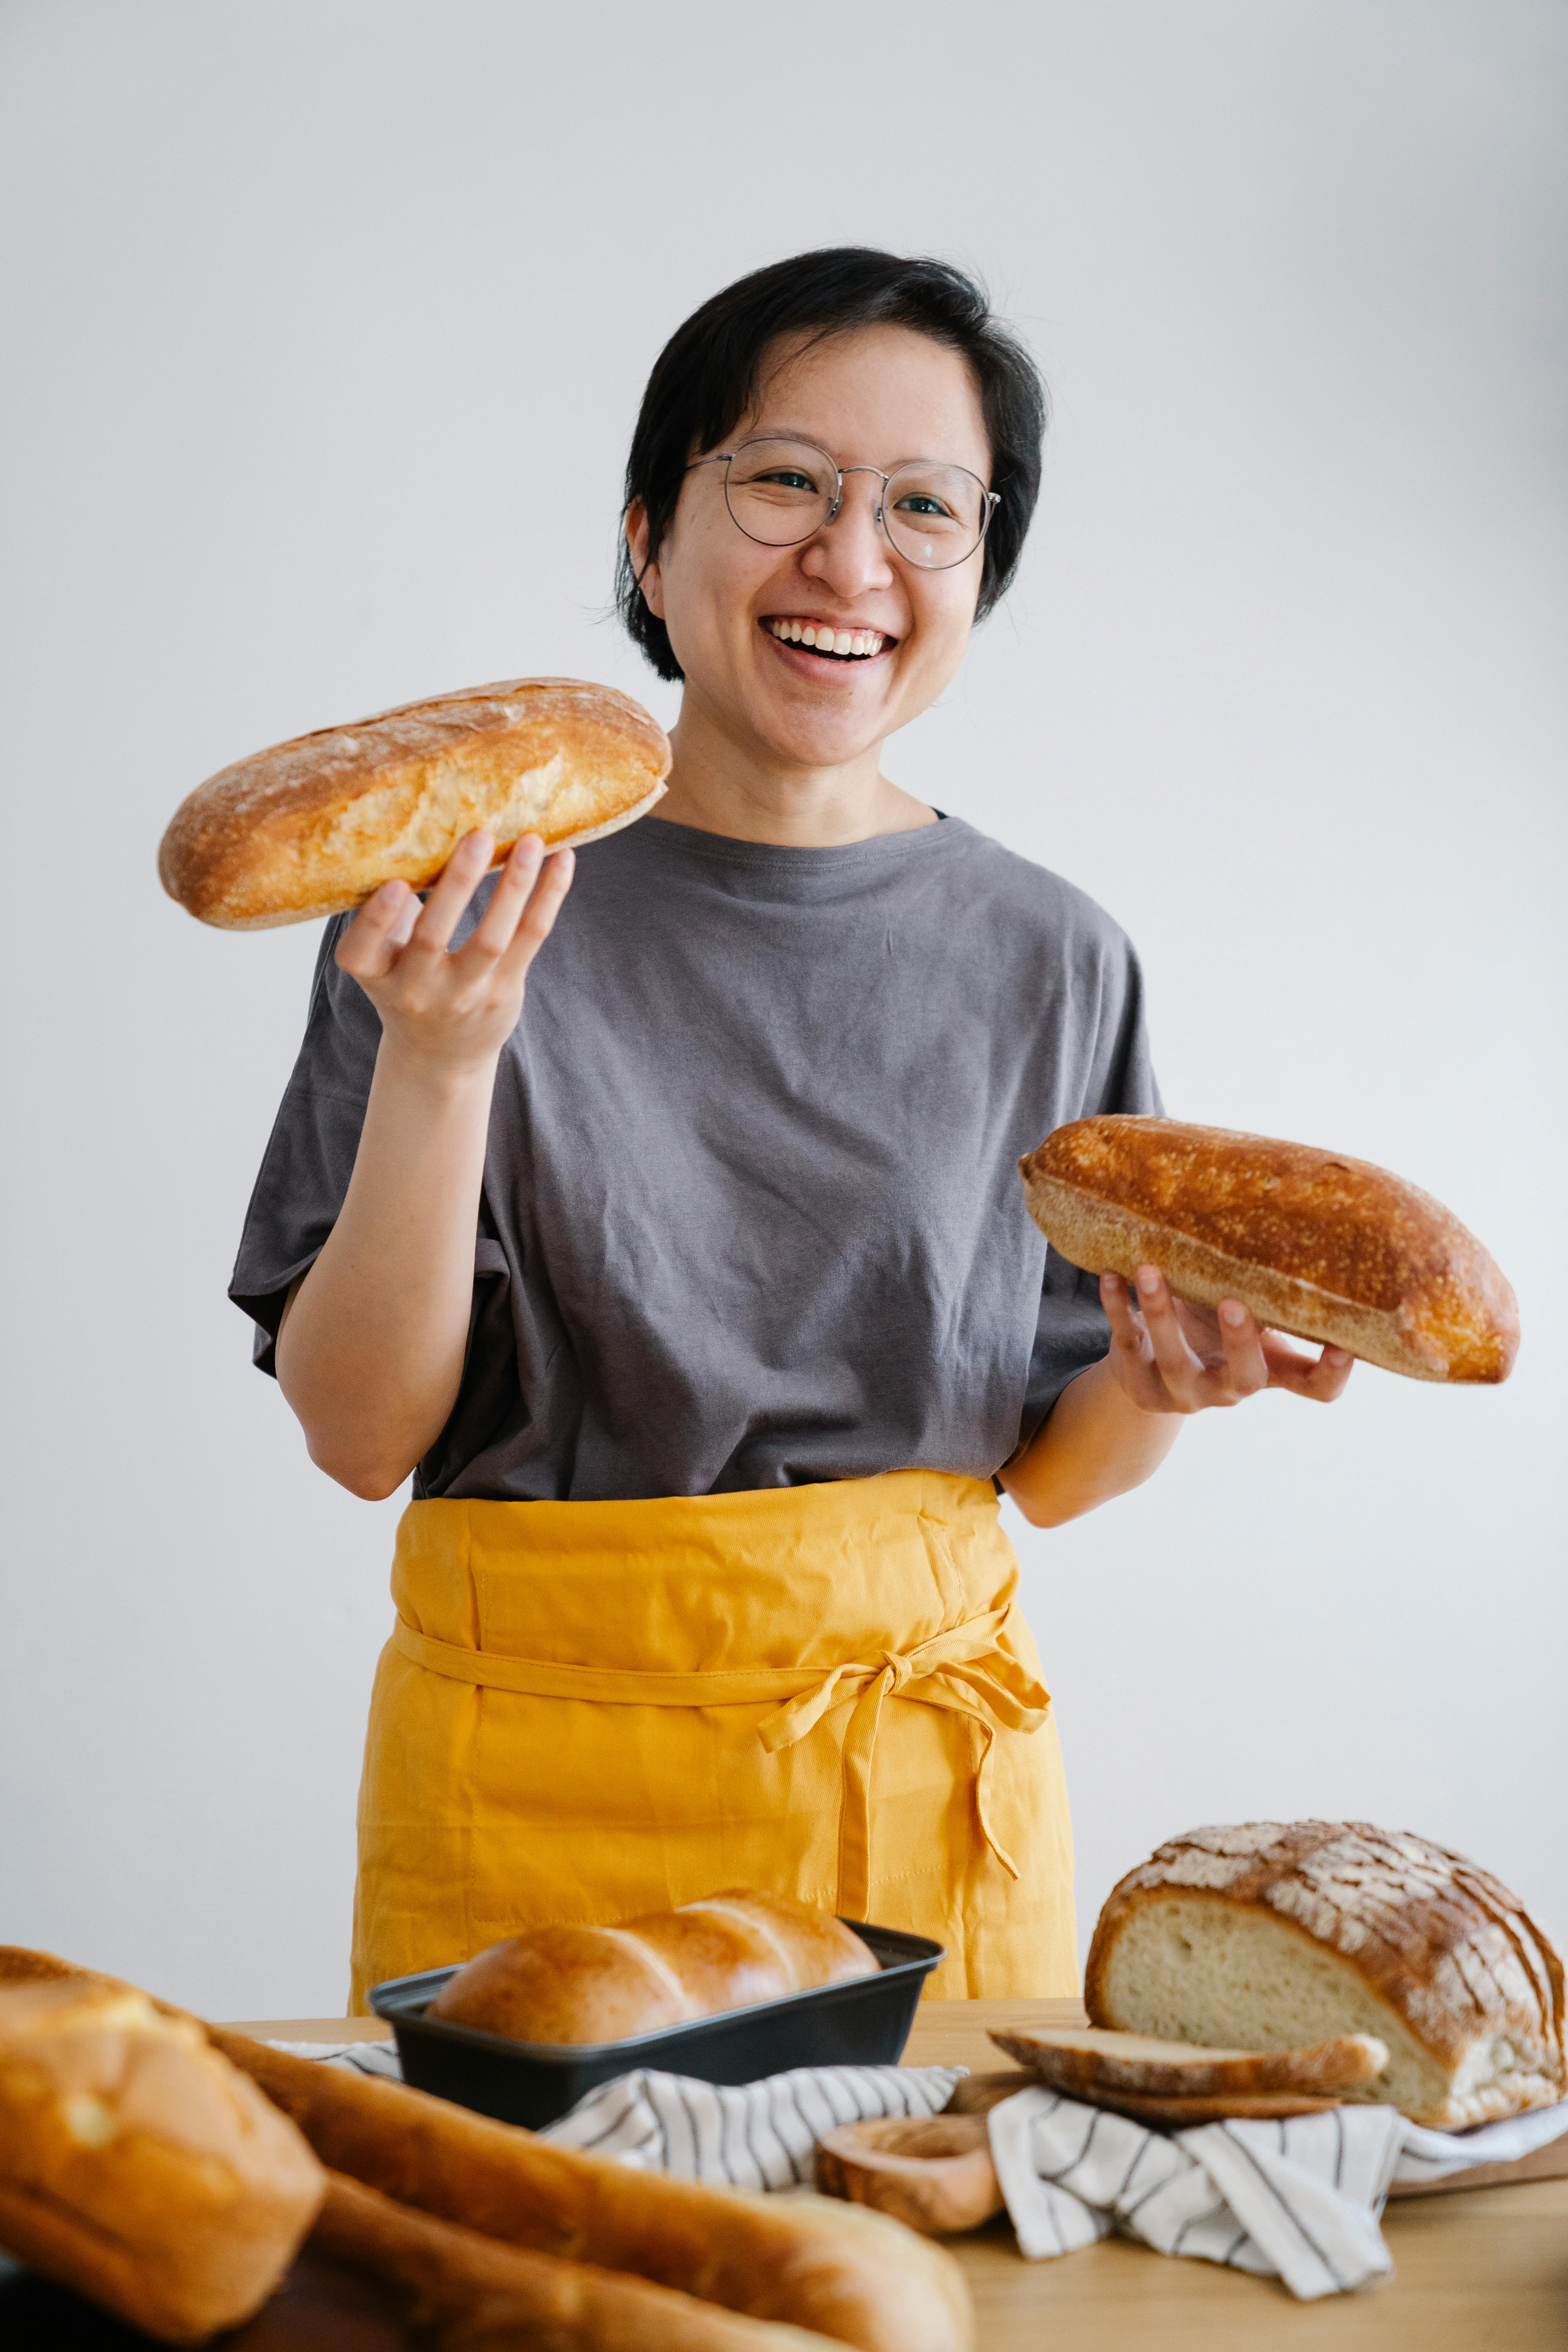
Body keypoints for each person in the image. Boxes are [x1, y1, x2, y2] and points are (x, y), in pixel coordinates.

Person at [231, 249, 1351, 2008]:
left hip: (908, 1783)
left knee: (929, 2277)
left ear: (983, 567)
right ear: (645, 536)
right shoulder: (447, 912)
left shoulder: (1051, 954)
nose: (853, 561)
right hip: (531, 1772)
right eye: (783, 483)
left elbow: (1049, 1476)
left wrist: (1158, 1380)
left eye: (927, 506)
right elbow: (364, 1435)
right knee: (543, 2287)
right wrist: (443, 1064)